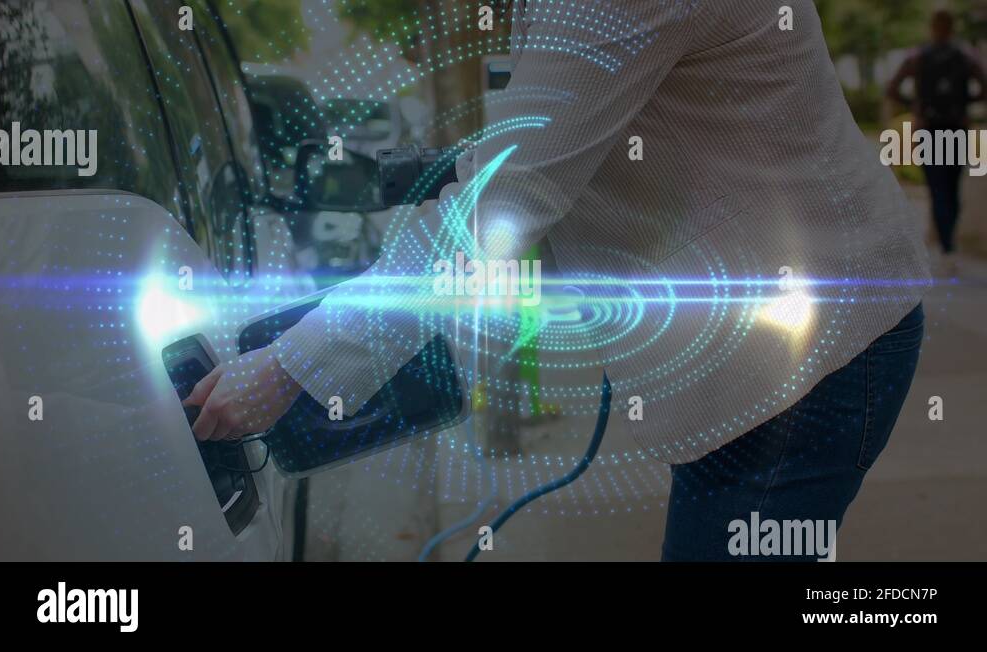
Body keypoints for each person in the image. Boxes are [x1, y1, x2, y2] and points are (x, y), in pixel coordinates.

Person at [185, 0, 930, 561]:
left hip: (808, 367)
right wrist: (417, 172)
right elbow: (575, 113)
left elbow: (496, 214)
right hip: (784, 353)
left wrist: (288, 369)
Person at [888, 9, 986, 272]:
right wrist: (966, 105)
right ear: (952, 27)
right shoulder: (966, 55)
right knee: (952, 189)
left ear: (932, 27)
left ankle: (945, 247)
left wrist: (916, 106)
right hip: (956, 128)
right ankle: (948, 245)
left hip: (929, 129)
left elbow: (892, 88)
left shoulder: (917, 56)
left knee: (937, 187)